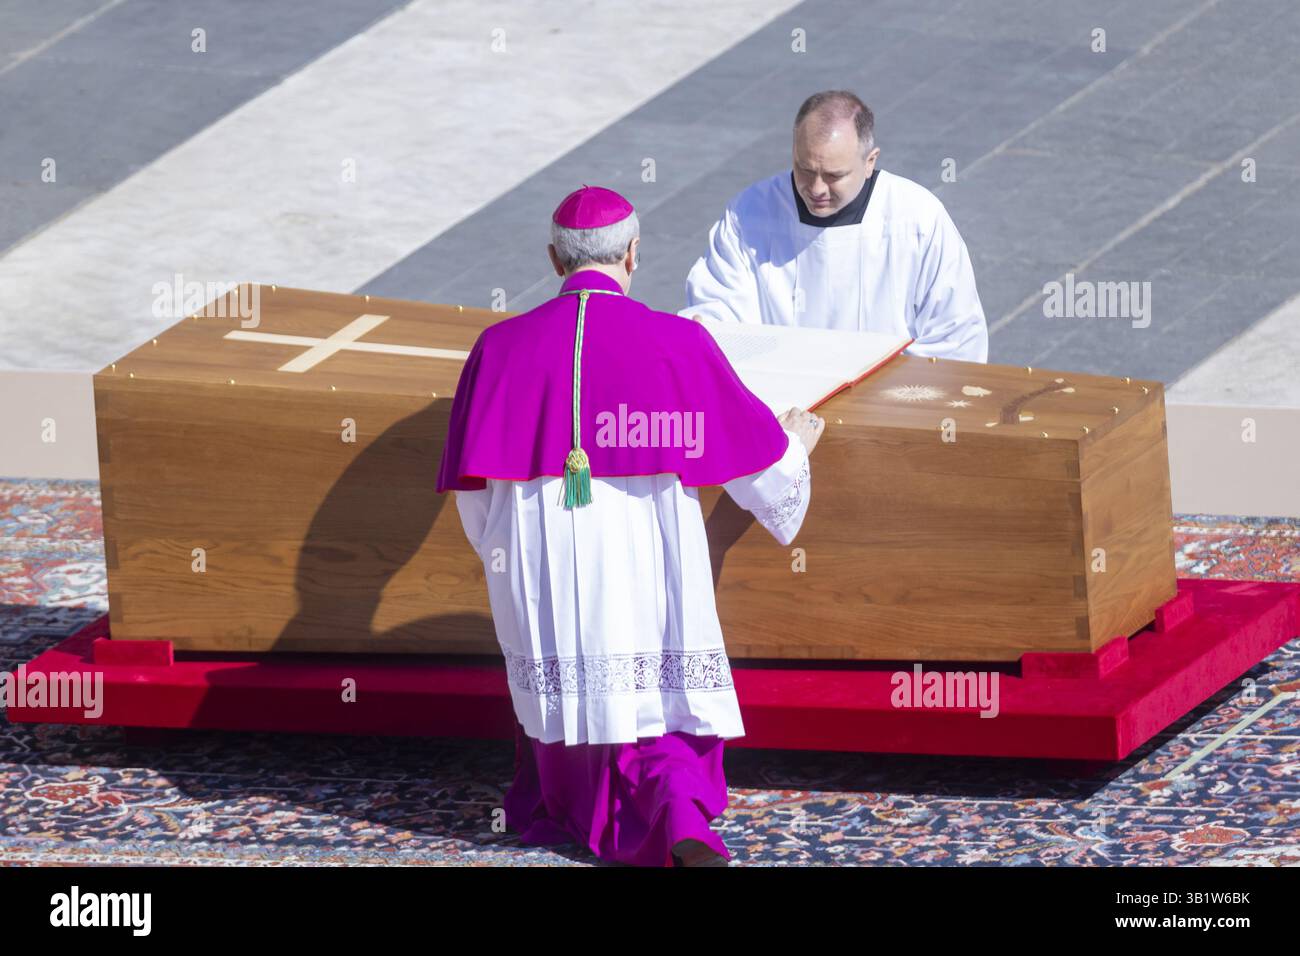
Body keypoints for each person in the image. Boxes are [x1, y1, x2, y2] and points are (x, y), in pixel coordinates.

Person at [436, 185, 823, 867]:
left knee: (576, 699)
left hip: (543, 557)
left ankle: (578, 809)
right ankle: (678, 817)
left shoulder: (497, 349)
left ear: (555, 259)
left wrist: (510, 557)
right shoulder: (679, 343)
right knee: (652, 704)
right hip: (645, 554)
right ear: (635, 254)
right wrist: (795, 446)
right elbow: (755, 462)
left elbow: (474, 501)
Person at [682, 89, 989, 363]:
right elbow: (718, 309)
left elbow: (953, 334)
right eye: (804, 169)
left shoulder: (918, 218)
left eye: (833, 175)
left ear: (870, 161)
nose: (816, 188)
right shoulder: (749, 213)